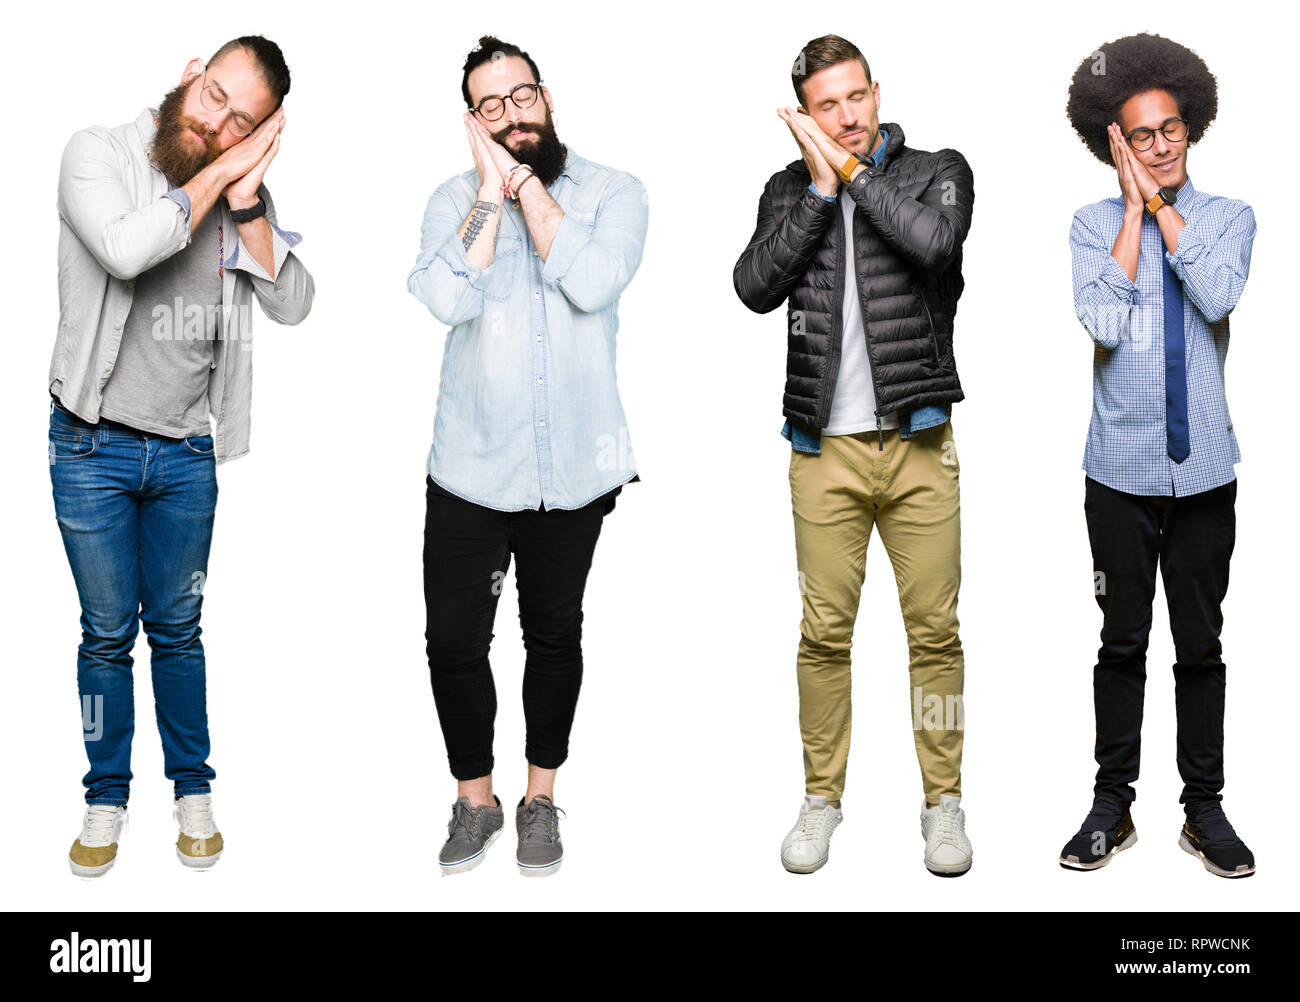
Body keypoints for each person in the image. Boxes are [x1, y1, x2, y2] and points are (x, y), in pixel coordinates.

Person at [50, 35, 313, 878]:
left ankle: (192, 789)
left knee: (179, 633)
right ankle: (105, 795)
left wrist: (249, 203)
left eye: (244, 122)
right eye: (216, 99)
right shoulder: (98, 154)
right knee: (103, 636)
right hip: (90, 447)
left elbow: (295, 302)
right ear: (192, 72)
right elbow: (129, 248)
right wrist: (218, 177)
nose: (218, 124)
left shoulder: (239, 194)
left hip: (185, 458)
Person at [734, 34, 975, 876]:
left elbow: (934, 247)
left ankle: (943, 803)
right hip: (822, 453)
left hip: (919, 447)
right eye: (825, 105)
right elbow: (754, 287)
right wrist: (815, 189)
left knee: (934, 634)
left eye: (855, 98)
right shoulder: (785, 189)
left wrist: (857, 177)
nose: (845, 116)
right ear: (806, 112)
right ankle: (821, 798)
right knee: (823, 634)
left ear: (878, 92)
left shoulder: (936, 169)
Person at [407, 35, 647, 877]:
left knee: (553, 634)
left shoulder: (615, 193)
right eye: (490, 105)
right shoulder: (454, 202)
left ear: (546, 98)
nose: (511, 113)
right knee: (453, 641)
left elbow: (589, 283)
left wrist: (526, 188)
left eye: (522, 96)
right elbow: (442, 296)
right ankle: (476, 801)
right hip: (470, 470)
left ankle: (541, 797)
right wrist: (488, 191)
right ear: (473, 121)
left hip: (575, 470)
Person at [1061, 33, 1256, 878]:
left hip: (1206, 473)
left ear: (1190, 127)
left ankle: (1204, 811)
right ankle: (1113, 805)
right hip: (1119, 478)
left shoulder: (1227, 220)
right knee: (1121, 643)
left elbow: (1213, 293)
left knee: (1202, 647)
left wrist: (1164, 209)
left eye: (1170, 127)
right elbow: (1102, 323)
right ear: (1116, 142)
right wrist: (1134, 212)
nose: (1161, 144)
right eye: (1141, 134)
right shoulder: (1091, 226)